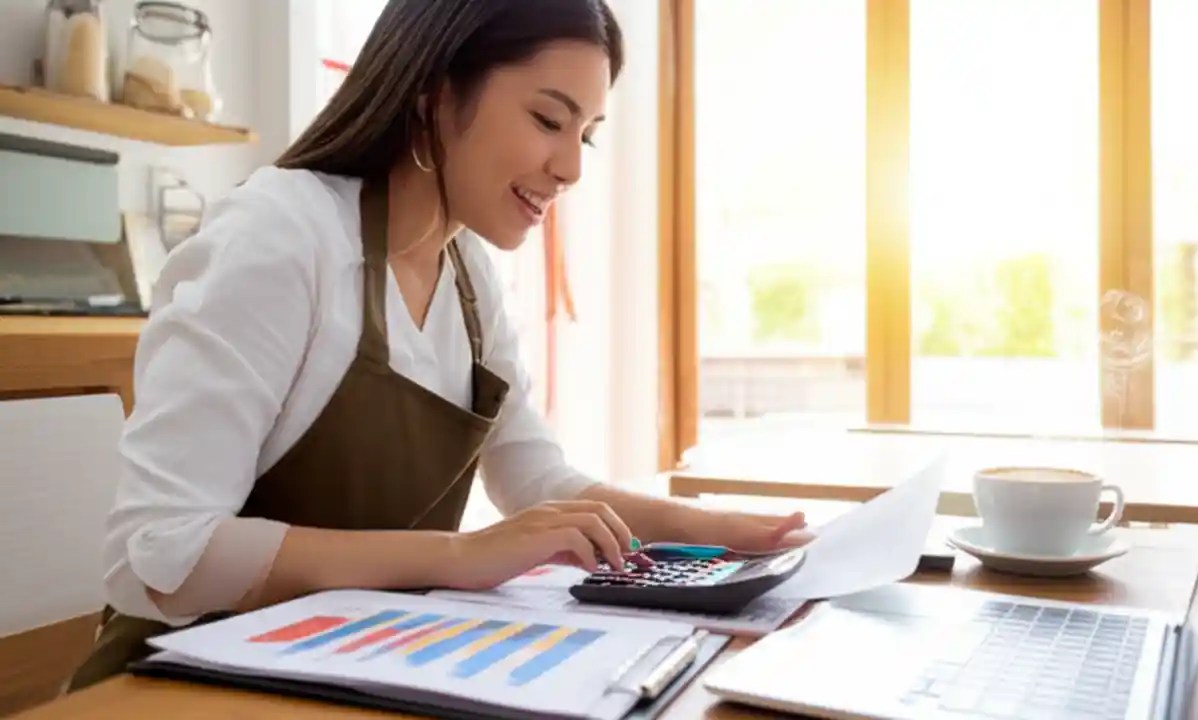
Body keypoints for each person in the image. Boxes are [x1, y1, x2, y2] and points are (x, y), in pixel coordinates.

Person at [68, 0, 809, 689]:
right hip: (179, 683)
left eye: (585, 134)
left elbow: (538, 483)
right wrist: (462, 556)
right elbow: (164, 553)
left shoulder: (469, 277)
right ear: (434, 89)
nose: (573, 167)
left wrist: (729, 536)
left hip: (343, 666)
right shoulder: (280, 236)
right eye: (549, 120)